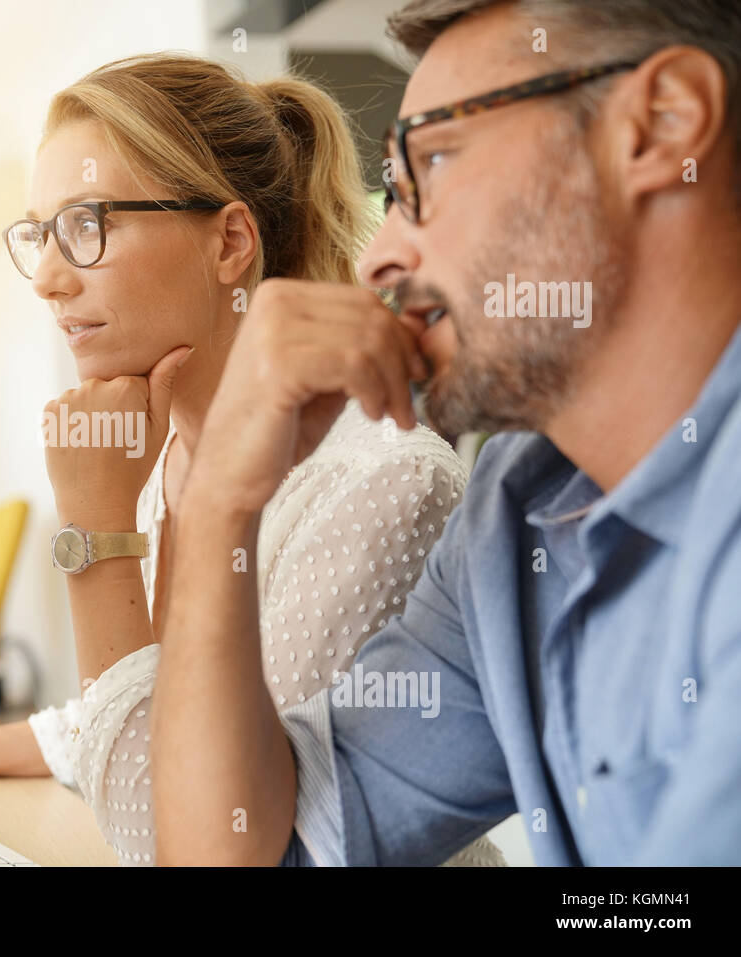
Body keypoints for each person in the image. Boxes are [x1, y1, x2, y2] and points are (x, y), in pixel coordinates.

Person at [0, 52, 504, 866]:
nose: (49, 280)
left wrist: (92, 534)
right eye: (40, 235)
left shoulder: (382, 484)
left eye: (88, 224)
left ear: (231, 242)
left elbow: (191, 838)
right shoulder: (162, 455)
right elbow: (154, 705)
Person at [148, 0, 741, 865]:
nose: (376, 262)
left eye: (431, 161)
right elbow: (241, 852)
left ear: (659, 124)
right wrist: (218, 506)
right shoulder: (517, 511)